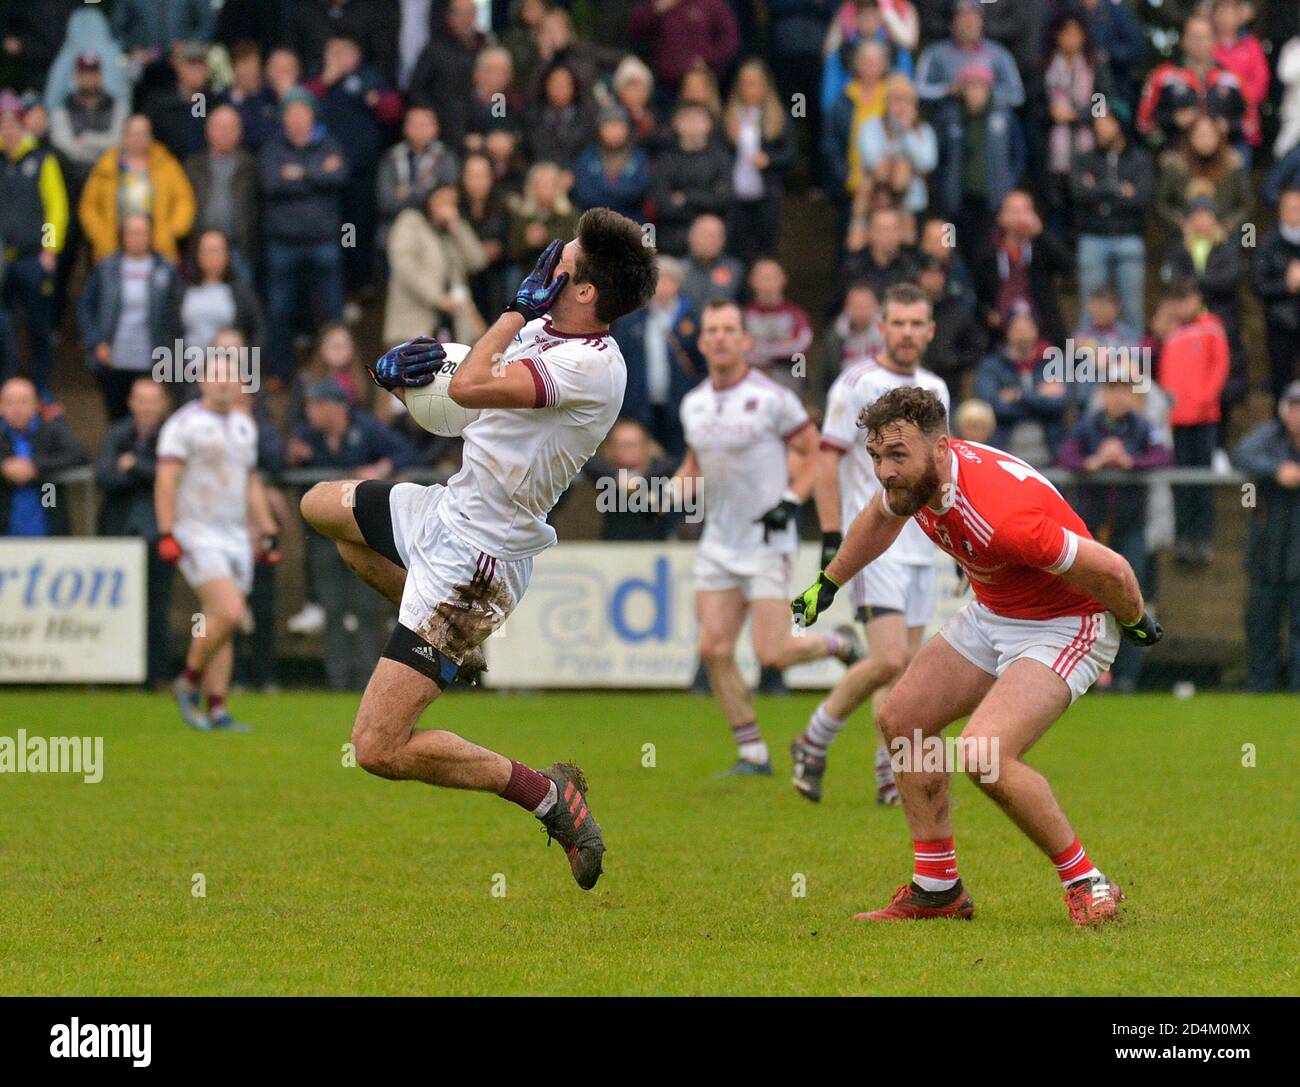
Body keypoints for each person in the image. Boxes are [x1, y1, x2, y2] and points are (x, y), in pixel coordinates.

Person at [298, 209, 658, 892]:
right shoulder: (547, 330)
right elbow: (458, 397)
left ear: (585, 292)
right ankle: (444, 646)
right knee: (321, 508)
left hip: (478, 563)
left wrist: (507, 312)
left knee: (375, 747)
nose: (548, 263)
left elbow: (470, 386)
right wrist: (402, 380)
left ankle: (551, 797)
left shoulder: (590, 367)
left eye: (563, 260)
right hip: (446, 510)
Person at [793, 386, 1162, 926]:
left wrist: (1134, 620)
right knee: (903, 720)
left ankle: (1088, 881)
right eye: (875, 457)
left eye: (897, 456)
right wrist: (829, 582)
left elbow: (1113, 572)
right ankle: (938, 889)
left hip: (1066, 623)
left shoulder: (1004, 514)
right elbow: (880, 518)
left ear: (940, 450)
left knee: (985, 753)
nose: (885, 471)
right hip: (995, 613)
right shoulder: (914, 483)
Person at [674, 299, 862, 777]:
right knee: (713, 649)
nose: (719, 337)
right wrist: (672, 488)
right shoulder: (692, 404)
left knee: (771, 653)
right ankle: (753, 754)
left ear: (745, 342)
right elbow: (694, 465)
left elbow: (814, 450)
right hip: (718, 541)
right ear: (703, 342)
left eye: (728, 330)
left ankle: (838, 645)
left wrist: (790, 500)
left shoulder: (773, 399)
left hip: (765, 542)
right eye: (711, 330)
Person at [793, 283, 949, 804]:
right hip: (877, 542)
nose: (906, 333)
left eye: (916, 323)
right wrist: (833, 537)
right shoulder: (856, 384)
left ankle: (888, 775)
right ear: (881, 328)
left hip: (922, 546)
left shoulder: (936, 388)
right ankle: (814, 739)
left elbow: (942, 474)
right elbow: (827, 459)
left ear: (929, 330)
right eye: (897, 323)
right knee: (886, 660)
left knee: (906, 666)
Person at [156, 335, 281, 733]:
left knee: (222, 625)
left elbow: (249, 483)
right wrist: (166, 532)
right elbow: (166, 479)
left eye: (232, 376)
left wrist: (266, 530)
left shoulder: (245, 427)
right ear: (202, 381)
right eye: (217, 376)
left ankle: (217, 709)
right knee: (228, 611)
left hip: (234, 537)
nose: (225, 383)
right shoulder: (184, 424)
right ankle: (188, 681)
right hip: (196, 533)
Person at [287, 379, 417, 691]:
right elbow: (279, 459)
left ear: (336, 407)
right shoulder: (306, 434)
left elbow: (407, 453)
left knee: (367, 608)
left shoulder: (367, 428)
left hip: (363, 536)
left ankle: (370, 677)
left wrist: (381, 467)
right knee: (331, 608)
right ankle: (338, 679)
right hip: (322, 535)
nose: (310, 412)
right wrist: (290, 457)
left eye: (316, 405)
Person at [1055, 371, 1174, 693]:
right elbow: (1066, 454)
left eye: (1124, 391)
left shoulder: (1143, 426)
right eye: (1112, 390)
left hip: (1131, 526)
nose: (1118, 397)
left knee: (1131, 600)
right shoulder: (1088, 424)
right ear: (1103, 395)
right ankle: (1089, 676)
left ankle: (1126, 677)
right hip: (1091, 528)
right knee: (1088, 599)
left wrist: (1129, 461)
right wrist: (1093, 462)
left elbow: (1163, 455)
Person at [258, 87, 348, 384]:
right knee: (280, 311)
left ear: (312, 115)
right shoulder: (273, 148)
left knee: (331, 311)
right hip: (282, 243)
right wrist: (316, 174)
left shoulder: (330, 143)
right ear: (283, 118)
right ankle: (281, 372)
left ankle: (333, 374)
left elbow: (340, 176)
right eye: (291, 113)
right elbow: (271, 183)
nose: (296, 119)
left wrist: (297, 174)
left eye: (302, 112)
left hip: (323, 241)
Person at [95, 376, 174, 685]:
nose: (147, 406)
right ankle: (115, 676)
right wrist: (149, 475)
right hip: (119, 531)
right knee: (118, 606)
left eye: (153, 400)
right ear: (131, 403)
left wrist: (134, 466)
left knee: (157, 605)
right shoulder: (117, 433)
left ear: (163, 403)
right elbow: (105, 478)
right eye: (141, 399)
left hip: (160, 532)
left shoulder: (173, 434)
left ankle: (155, 676)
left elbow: (172, 479)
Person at [78, 212, 183, 421]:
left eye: (142, 232)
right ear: (122, 236)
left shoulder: (165, 269)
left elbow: (176, 314)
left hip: (152, 357)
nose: (137, 238)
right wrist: (96, 341)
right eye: (132, 233)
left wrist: (171, 352)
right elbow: (86, 307)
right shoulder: (106, 267)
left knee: (152, 414)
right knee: (117, 414)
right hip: (114, 356)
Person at [1231, 382, 1300, 692]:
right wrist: (1276, 471)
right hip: (1267, 550)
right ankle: (1261, 688)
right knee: (1261, 625)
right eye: (1294, 407)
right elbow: (1241, 454)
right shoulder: (1270, 437)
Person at [1156, 278, 1229, 565]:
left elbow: (1220, 367)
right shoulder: (1171, 334)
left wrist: (1205, 399)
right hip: (1177, 421)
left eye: (1185, 299)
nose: (1181, 306)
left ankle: (1203, 538)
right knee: (1182, 482)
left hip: (1205, 419)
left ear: (1197, 298)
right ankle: (1184, 539)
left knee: (1202, 481)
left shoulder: (1212, 326)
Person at [0, 90, 66, 404]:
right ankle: (8, 391)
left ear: (24, 127)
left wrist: (49, 250)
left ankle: (41, 389)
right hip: (2, 260)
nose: (9, 130)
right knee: (5, 331)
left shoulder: (42, 159)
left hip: (32, 259)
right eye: (4, 124)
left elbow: (56, 207)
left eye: (15, 124)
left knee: (39, 329)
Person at [1070, 107, 1153, 335]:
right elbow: (1078, 194)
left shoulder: (1139, 159)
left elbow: (1141, 200)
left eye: (1107, 121)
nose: (1100, 127)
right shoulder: (1084, 159)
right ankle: (1085, 365)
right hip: (1093, 238)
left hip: (1129, 238)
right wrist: (1119, 190)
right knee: (1090, 308)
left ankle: (1134, 366)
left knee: (1132, 309)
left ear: (1120, 124)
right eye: (1098, 122)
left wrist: (1097, 189)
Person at [611, 255, 702, 458]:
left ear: (677, 284)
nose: (661, 287)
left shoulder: (692, 320)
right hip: (641, 408)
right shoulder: (632, 321)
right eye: (656, 280)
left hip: (680, 406)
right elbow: (617, 360)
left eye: (667, 280)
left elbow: (701, 363)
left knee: (679, 459)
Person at [79, 113, 195, 265]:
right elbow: (89, 205)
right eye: (133, 133)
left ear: (150, 136)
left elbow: (184, 199)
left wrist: (173, 230)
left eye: (143, 133)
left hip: (158, 247)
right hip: (112, 248)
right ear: (124, 136)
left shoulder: (167, 163)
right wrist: (100, 234)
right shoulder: (106, 165)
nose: (138, 138)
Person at [383, 182, 487, 348]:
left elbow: (478, 261)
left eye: (452, 203)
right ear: (429, 201)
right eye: (442, 201)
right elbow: (404, 266)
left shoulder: (452, 233)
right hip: (413, 324)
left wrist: (458, 227)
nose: (447, 208)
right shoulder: (411, 222)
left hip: (451, 329)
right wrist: (438, 298)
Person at [975, 309, 1073, 466]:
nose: (1023, 335)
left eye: (1028, 329)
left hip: (1050, 459)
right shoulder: (991, 366)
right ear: (1008, 332)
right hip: (1004, 459)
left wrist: (1019, 396)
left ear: (1036, 331)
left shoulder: (1051, 363)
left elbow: (1060, 404)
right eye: (1018, 330)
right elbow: (990, 407)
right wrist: (1040, 399)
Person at [0, 376, 86, 537]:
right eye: (10, 402)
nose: (16, 408)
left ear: (36, 405)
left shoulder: (51, 430)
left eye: (23, 401)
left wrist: (35, 466)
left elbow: (79, 455)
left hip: (49, 509)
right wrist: (4, 467)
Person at [1252, 186, 1300, 401]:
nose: (1295, 212)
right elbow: (1258, 285)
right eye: (1290, 207)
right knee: (1281, 380)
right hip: (1281, 321)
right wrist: (1286, 285)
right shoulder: (1267, 243)